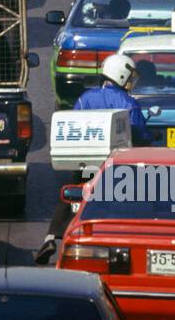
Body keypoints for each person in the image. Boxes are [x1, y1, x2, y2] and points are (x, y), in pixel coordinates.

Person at [34, 55, 149, 263]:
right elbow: (140, 133)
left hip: (85, 159)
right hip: (115, 163)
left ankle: (50, 237)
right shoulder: (127, 102)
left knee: (72, 194)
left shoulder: (85, 97)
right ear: (121, 75)